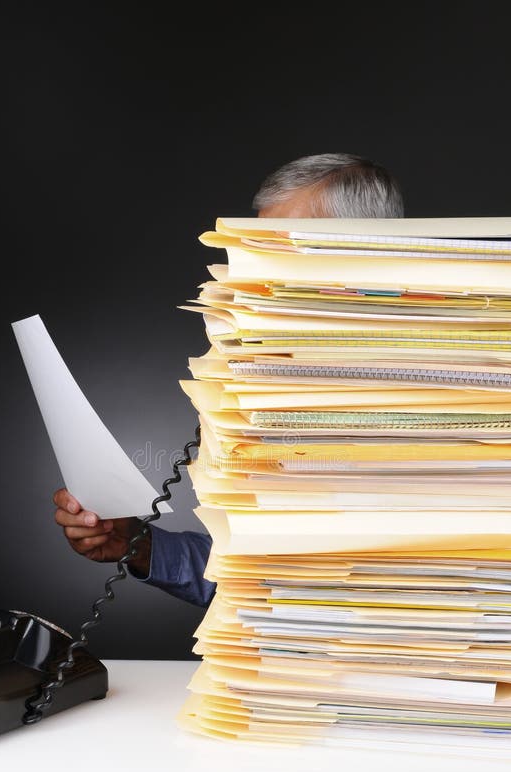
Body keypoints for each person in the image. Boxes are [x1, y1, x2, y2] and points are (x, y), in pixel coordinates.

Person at [53, 153, 404, 607]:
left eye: (281, 250)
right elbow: (261, 575)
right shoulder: (268, 383)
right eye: (253, 253)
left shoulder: (481, 384)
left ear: (366, 250)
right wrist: (133, 544)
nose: (256, 277)